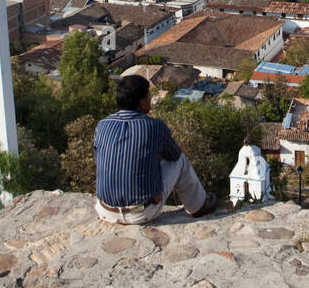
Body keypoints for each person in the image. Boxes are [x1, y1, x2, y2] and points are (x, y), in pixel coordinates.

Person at [93, 74, 217, 224]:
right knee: (180, 160)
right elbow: (173, 156)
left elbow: (99, 160)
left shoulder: (102, 125)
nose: (151, 99)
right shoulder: (154, 127)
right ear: (141, 101)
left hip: (106, 210)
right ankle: (198, 207)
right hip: (140, 213)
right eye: (148, 95)